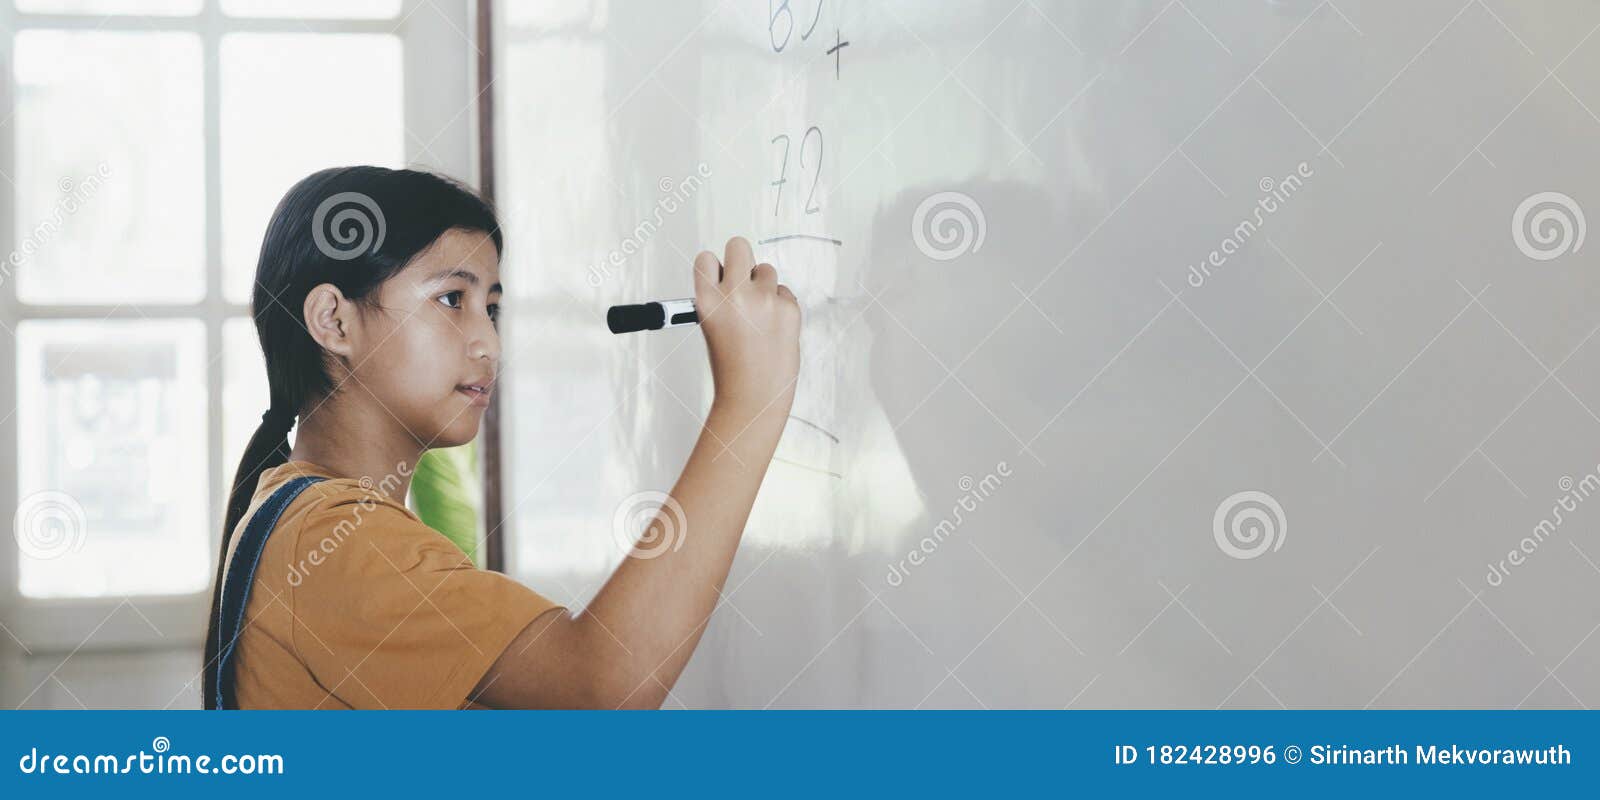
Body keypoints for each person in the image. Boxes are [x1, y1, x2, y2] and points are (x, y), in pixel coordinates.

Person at [203, 165, 800, 709]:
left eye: (490, 307)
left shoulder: (308, 512)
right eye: (451, 299)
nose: (489, 342)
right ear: (334, 321)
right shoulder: (333, 536)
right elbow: (599, 686)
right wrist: (749, 403)